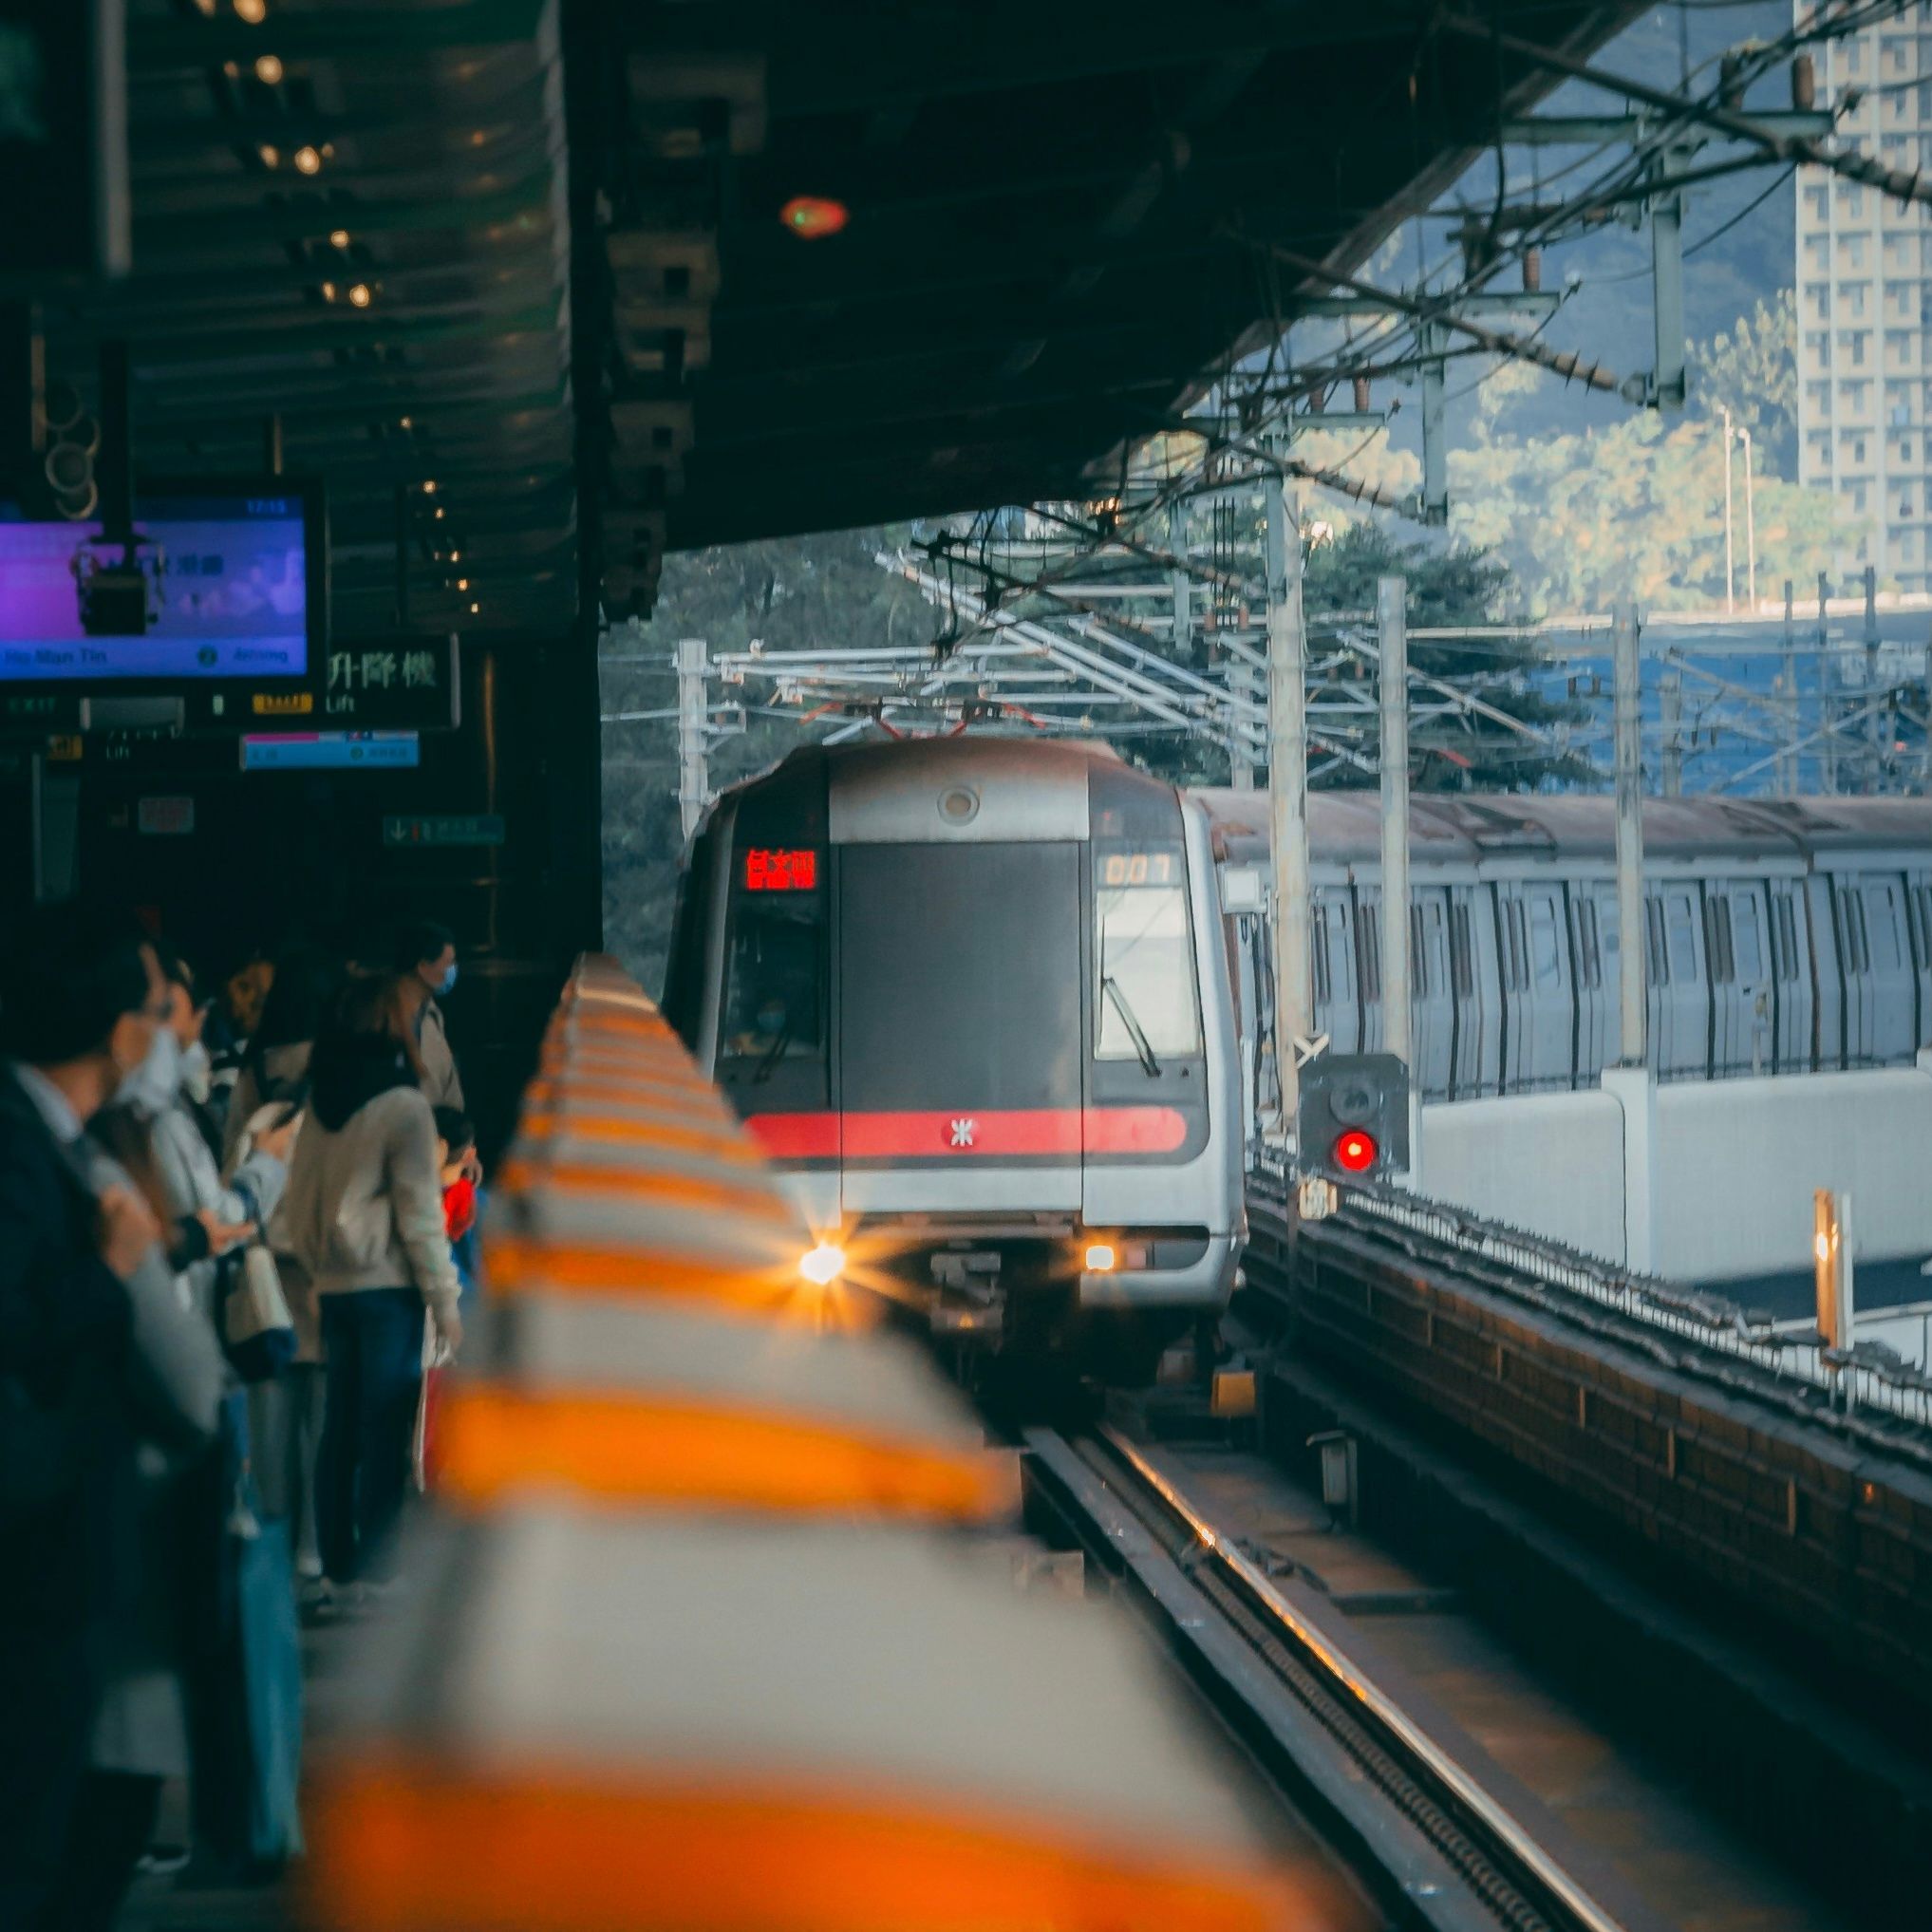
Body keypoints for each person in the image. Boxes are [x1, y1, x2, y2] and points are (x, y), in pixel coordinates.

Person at [0, 904, 207, 1927]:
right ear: (119, 1029)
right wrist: (115, 1268)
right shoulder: (19, 1144)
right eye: (160, 1010)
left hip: (60, 1537)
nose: (169, 1032)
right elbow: (16, 1319)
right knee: (36, 1838)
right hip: (38, 1535)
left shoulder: (51, 1134)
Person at [277, 977, 461, 1599]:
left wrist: (317, 1266)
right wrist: (445, 1298)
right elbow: (420, 1213)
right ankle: (379, 1570)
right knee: (385, 1429)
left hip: (334, 1285)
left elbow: (299, 1197)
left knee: (339, 1429)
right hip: (388, 1289)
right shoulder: (403, 1106)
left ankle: (337, 1568)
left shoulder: (320, 1104)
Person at [391, 919, 464, 1111]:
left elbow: (448, 1084)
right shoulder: (382, 1018)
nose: (453, 969)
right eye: (449, 963)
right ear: (423, 967)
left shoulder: (432, 1016)